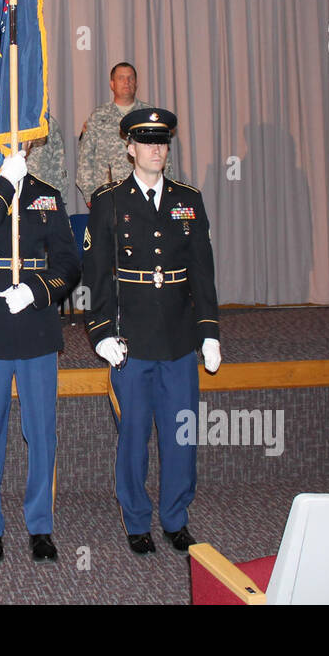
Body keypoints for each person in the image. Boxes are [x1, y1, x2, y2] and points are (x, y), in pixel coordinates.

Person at [82, 107, 222, 556]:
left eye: (162, 142)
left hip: (179, 338)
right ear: (129, 148)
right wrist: (101, 331)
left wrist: (210, 332)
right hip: (131, 339)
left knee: (181, 435)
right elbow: (98, 273)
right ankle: (137, 519)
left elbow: (203, 271)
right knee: (135, 434)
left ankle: (176, 517)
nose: (156, 150)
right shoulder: (110, 200)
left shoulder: (189, 198)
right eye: (146, 142)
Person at [0, 149, 80, 563]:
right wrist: (5, 182)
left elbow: (67, 261)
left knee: (41, 430)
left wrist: (38, 291)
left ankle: (40, 524)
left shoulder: (47, 194)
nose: (9, 140)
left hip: (35, 320)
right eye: (1, 132)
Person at [75, 62, 150, 207]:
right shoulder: (98, 116)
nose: (126, 82)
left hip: (145, 195)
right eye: (121, 78)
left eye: (130, 78)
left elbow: (164, 159)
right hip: (108, 197)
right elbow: (85, 159)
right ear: (112, 84)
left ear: (136, 83)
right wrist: (90, 195)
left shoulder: (148, 115)